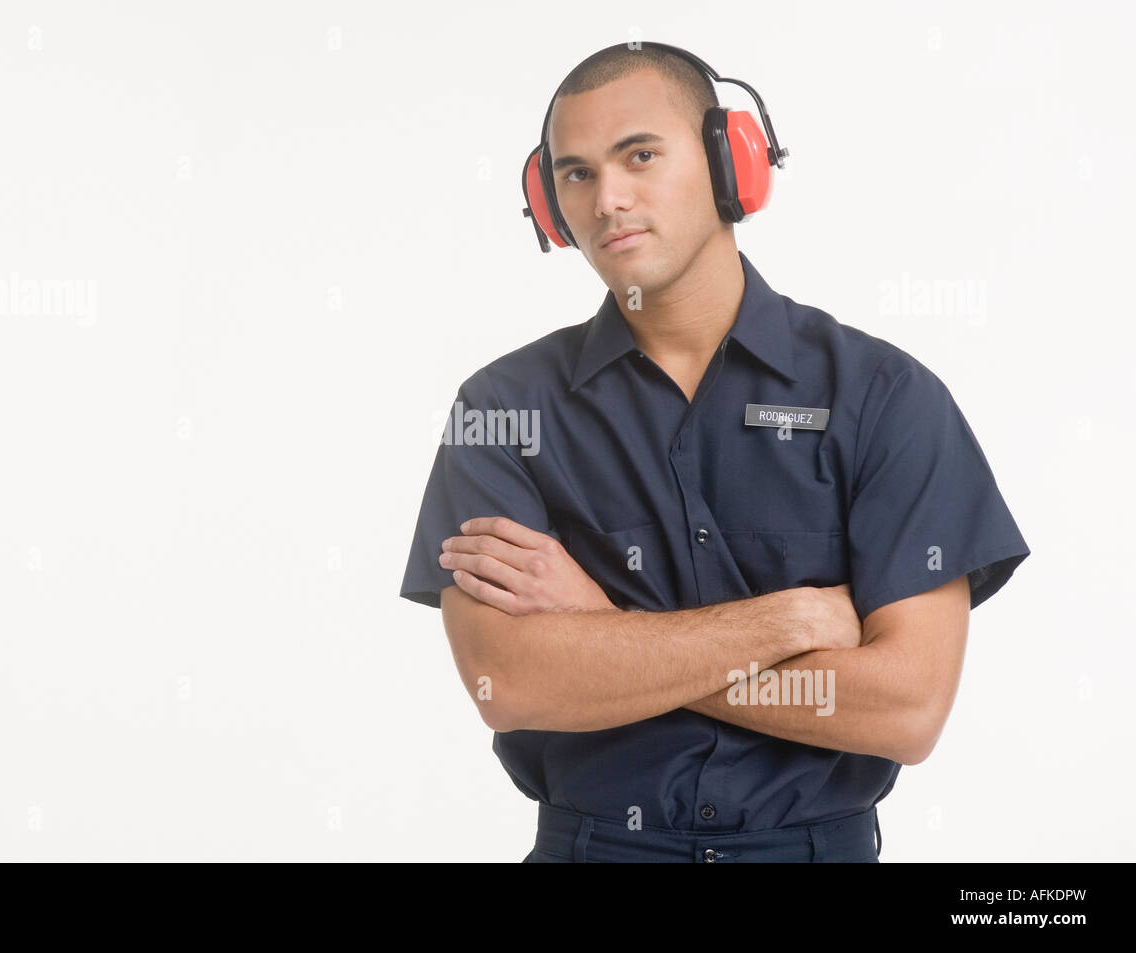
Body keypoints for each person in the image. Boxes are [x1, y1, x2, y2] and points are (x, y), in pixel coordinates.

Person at [398, 41, 1030, 862]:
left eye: (639, 155)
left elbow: (905, 710)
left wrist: (604, 627)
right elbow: (510, 682)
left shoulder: (886, 398)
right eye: (576, 173)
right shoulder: (502, 410)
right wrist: (789, 620)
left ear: (732, 162)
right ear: (547, 203)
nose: (607, 199)